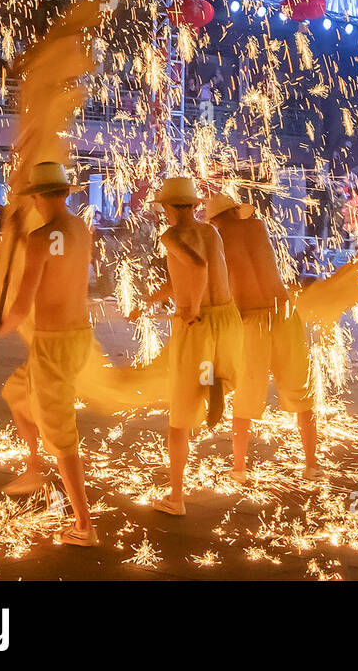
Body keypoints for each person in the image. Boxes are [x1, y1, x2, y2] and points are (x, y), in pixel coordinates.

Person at [0, 162, 98, 547]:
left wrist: (2, 325)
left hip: (55, 343)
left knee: (62, 434)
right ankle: (34, 468)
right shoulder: (81, 229)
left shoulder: (42, 236)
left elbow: (22, 304)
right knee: (17, 394)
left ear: (37, 197)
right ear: (65, 194)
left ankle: (84, 526)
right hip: (77, 336)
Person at [130, 177, 243, 516]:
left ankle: (176, 498)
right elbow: (188, 272)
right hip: (226, 318)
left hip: (197, 325)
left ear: (168, 208)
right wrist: (150, 300)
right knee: (207, 371)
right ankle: (213, 382)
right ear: (193, 206)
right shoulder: (211, 232)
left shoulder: (171, 235)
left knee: (178, 419)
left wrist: (190, 306)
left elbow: (197, 266)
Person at [204, 193, 319, 484]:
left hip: (250, 321)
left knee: (245, 397)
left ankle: (239, 469)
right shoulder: (257, 227)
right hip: (283, 313)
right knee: (302, 393)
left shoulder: (216, 240)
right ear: (234, 211)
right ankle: (311, 465)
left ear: (215, 220)